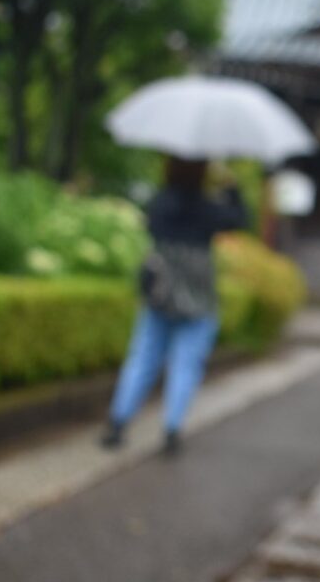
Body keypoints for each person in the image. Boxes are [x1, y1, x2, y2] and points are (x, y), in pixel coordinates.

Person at [101, 156, 248, 455]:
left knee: (143, 358)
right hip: (198, 300)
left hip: (160, 295)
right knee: (186, 364)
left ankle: (118, 422)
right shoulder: (207, 208)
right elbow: (238, 219)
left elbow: (150, 227)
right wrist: (231, 187)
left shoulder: (161, 203)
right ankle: (171, 429)